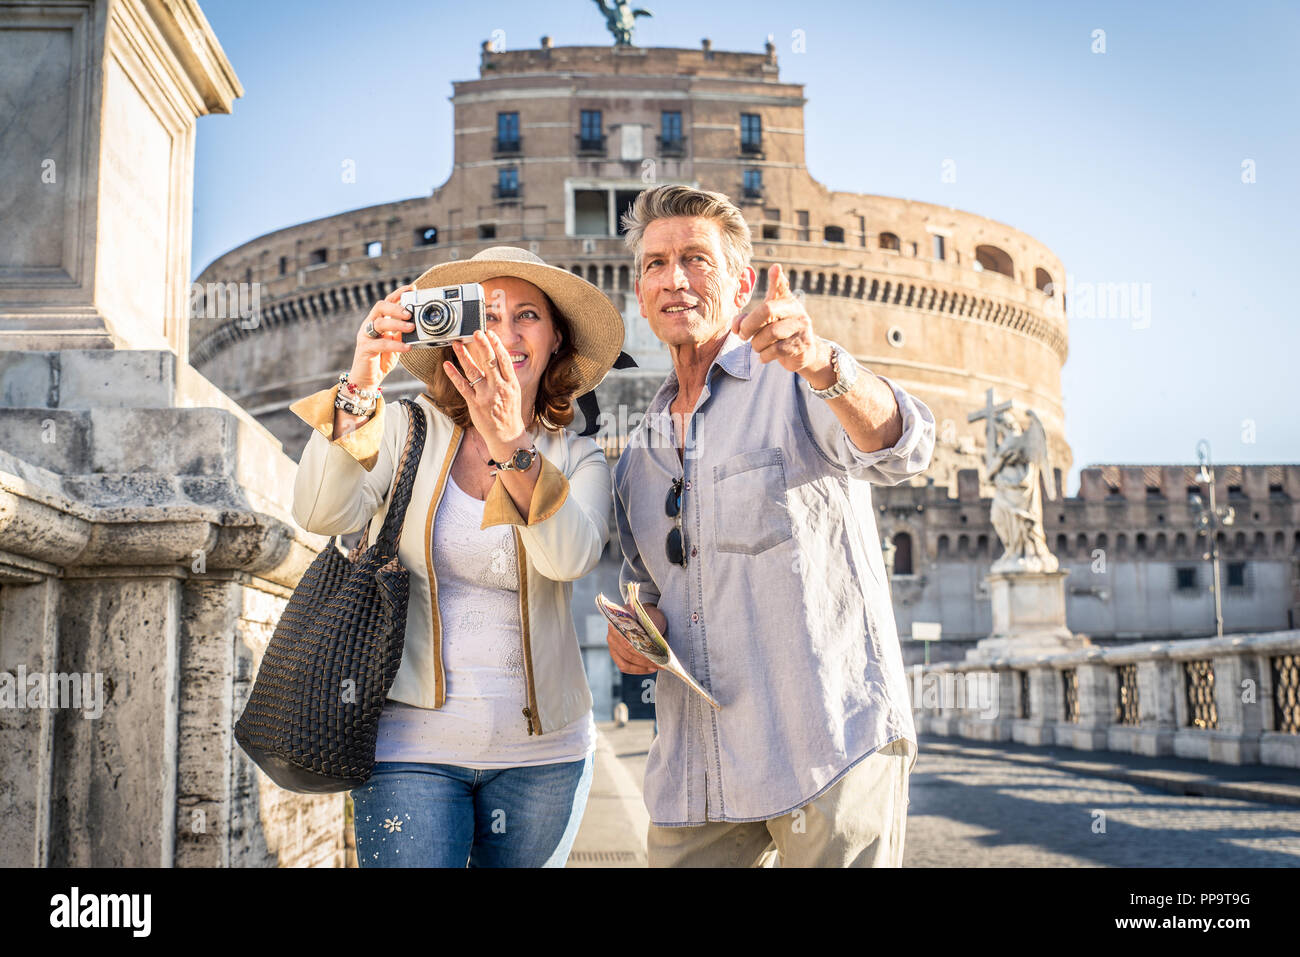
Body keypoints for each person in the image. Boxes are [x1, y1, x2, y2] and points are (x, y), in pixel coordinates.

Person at [606, 185, 936, 867]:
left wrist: (825, 364)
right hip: (699, 769)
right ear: (638, 294)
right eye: (655, 264)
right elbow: (646, 595)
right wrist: (637, 637)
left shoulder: (794, 377)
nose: (674, 279)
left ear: (742, 282)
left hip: (827, 741)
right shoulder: (637, 455)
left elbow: (905, 446)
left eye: (697, 259)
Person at [289, 246, 624, 867]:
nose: (506, 332)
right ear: (459, 334)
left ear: (555, 341)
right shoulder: (404, 426)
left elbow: (570, 558)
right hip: (408, 750)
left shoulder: (578, 455)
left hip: (543, 760)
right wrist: (362, 381)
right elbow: (318, 512)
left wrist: (509, 441)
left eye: (527, 316)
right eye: (488, 314)